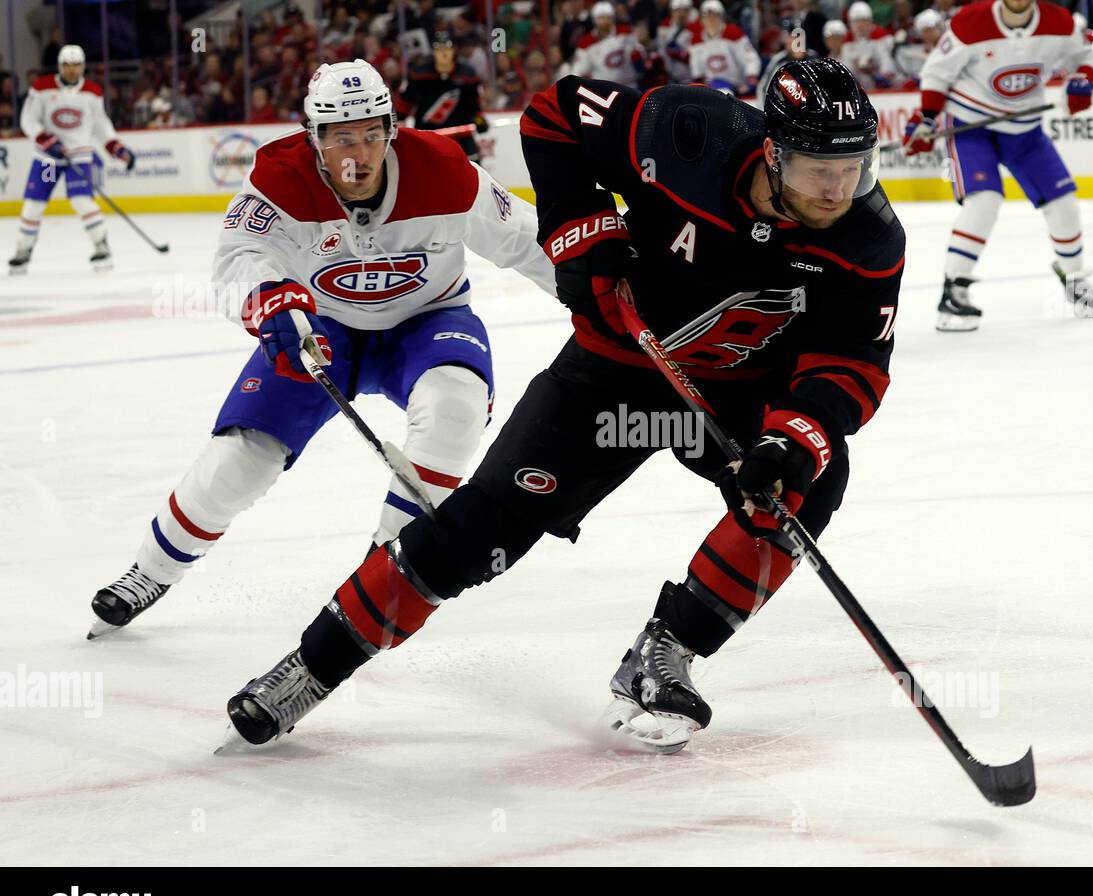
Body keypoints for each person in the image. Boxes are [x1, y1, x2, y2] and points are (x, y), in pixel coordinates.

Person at [221, 59, 905, 754]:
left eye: (855, 167)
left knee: (804, 481)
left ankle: (665, 652)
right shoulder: (689, 130)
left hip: (735, 395)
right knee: (476, 538)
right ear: (773, 150)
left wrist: (791, 438)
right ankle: (312, 666)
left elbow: (853, 364)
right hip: (613, 373)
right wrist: (583, 230)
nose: (839, 188)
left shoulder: (869, 239)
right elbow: (555, 112)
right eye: (820, 168)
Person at [86, 60, 555, 639]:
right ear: (314, 139)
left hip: (428, 320)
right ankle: (150, 570)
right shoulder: (279, 181)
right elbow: (238, 262)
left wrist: (601, 292)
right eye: (341, 139)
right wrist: (269, 301)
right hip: (320, 327)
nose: (358, 155)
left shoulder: (446, 172)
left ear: (390, 128)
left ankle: (389, 569)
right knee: (243, 457)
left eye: (371, 134)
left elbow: (532, 241)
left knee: (455, 406)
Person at [904, 0, 1093, 330]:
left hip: (1024, 130)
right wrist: (926, 116)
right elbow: (936, 71)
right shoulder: (971, 21)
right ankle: (954, 289)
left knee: (1064, 203)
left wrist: (1084, 80)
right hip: (971, 125)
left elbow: (1092, 54)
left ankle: (1074, 278)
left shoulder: (1059, 21)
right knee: (984, 201)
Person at [7, 45, 135, 275]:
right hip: (48, 158)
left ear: (82, 66)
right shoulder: (42, 87)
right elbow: (28, 119)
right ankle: (23, 250)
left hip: (79, 155)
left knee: (81, 200)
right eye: (67, 65)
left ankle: (100, 246)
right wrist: (45, 138)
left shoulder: (92, 92)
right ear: (60, 65)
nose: (72, 70)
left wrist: (117, 148)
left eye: (76, 65)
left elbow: (101, 125)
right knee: (34, 205)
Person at [395, 32, 489, 162]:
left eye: (447, 49)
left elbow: (474, 106)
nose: (444, 53)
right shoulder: (419, 73)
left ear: (453, 50)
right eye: (439, 49)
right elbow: (405, 102)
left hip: (461, 135)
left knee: (474, 170)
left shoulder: (467, 74)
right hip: (428, 136)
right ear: (433, 52)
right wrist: (397, 120)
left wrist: (479, 119)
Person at [689, 0, 762, 96]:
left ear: (722, 17)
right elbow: (697, 70)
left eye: (714, 16)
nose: (710, 20)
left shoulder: (733, 33)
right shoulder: (697, 39)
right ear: (701, 20)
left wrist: (750, 78)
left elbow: (751, 58)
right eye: (707, 16)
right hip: (711, 85)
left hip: (737, 85)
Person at [572, 1, 645, 85]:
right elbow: (579, 70)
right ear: (594, 20)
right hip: (604, 91)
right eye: (601, 18)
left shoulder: (625, 32)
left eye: (607, 17)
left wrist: (638, 55)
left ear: (612, 18)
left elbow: (639, 53)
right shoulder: (586, 42)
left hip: (630, 84)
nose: (604, 21)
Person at [843, 1, 899, 89]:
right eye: (856, 21)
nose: (860, 25)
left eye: (864, 21)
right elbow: (846, 69)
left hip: (882, 88)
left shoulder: (882, 38)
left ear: (870, 21)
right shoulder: (847, 43)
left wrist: (874, 73)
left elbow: (887, 67)